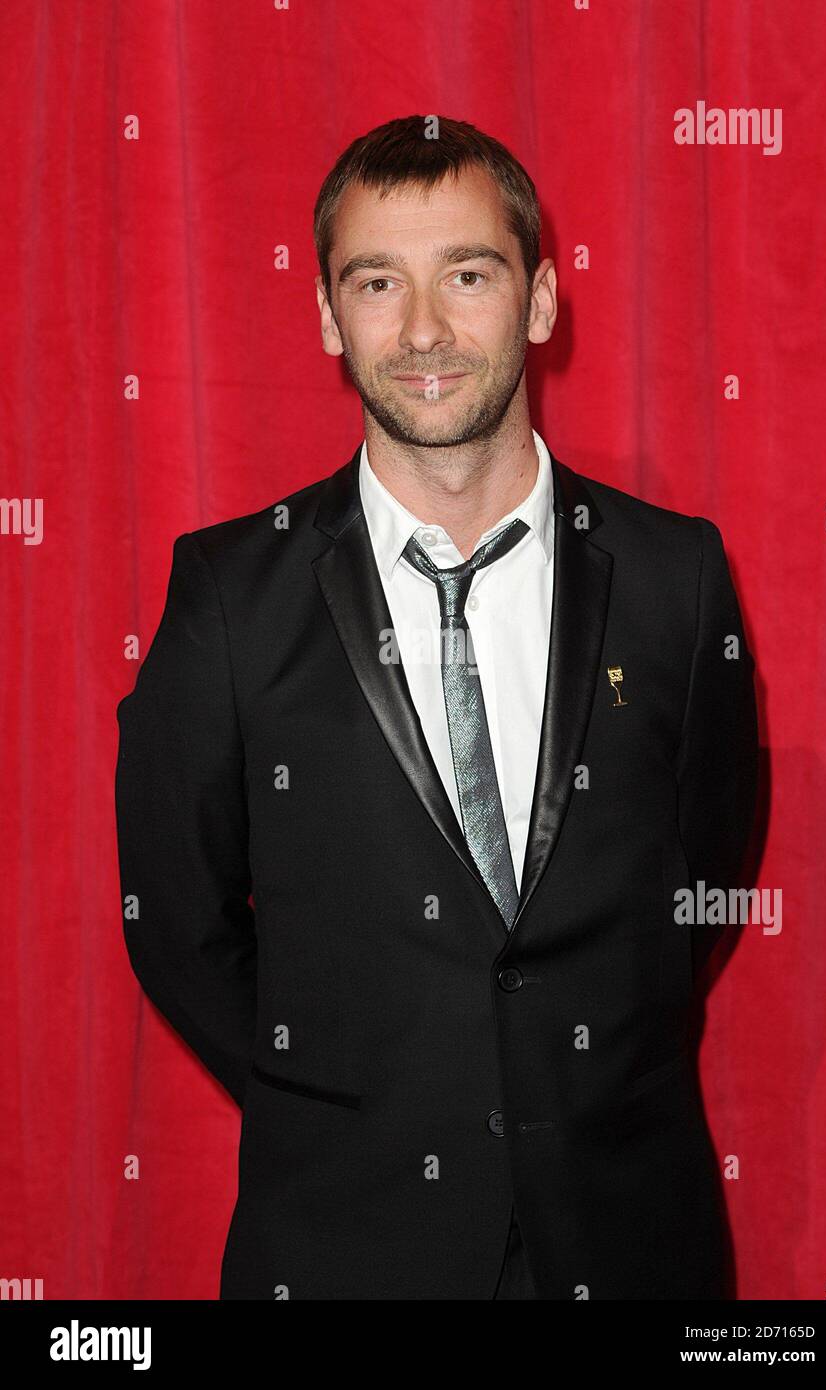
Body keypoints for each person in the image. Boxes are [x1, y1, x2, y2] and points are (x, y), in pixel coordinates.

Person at [115, 114, 759, 1300]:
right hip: (341, 1244)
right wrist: (350, 1084)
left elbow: (704, 871)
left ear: (540, 299)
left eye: (466, 274)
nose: (421, 330)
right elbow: (178, 921)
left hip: (625, 1240)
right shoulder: (227, 596)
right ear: (325, 314)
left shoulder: (679, 576)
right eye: (376, 282)